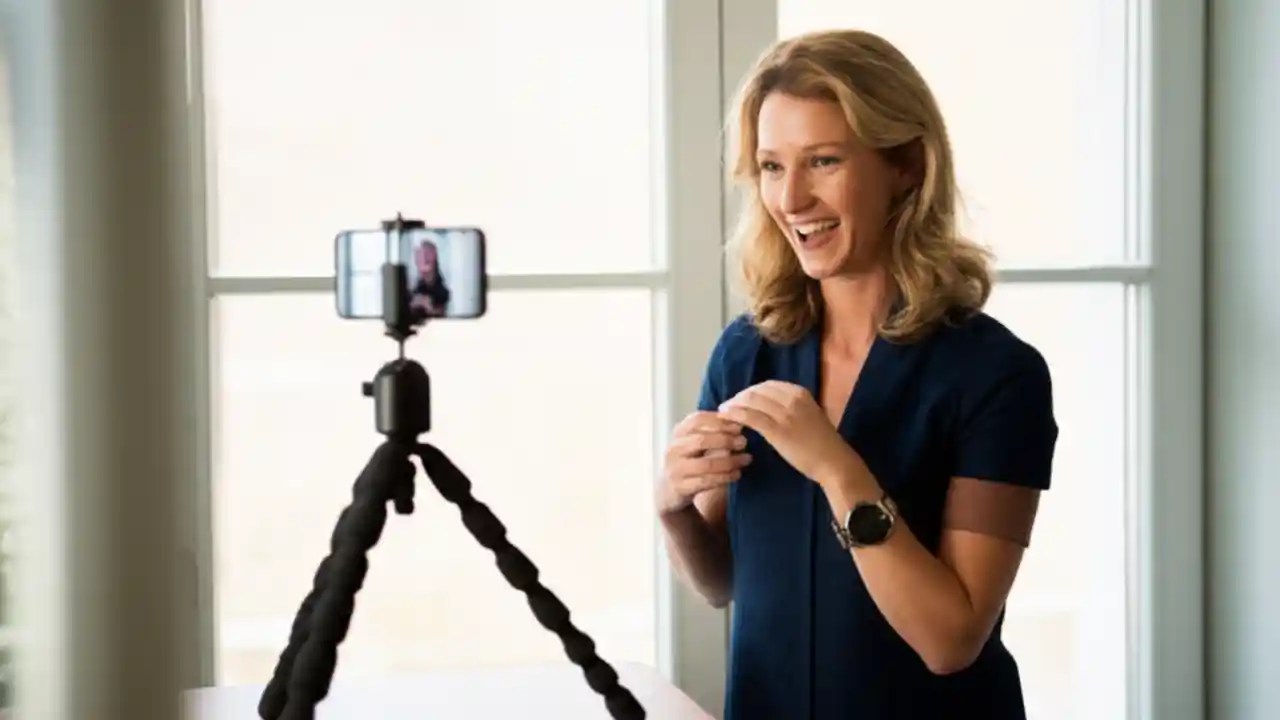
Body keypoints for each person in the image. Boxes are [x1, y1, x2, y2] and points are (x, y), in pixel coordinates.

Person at [655, 29, 1058, 720]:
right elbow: (725, 580)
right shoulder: (744, 354)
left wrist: (840, 472)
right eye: (773, 167)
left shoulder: (1000, 376)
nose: (791, 198)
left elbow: (952, 639)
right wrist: (671, 508)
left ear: (906, 165)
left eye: (824, 161)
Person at [409, 238, 450, 318]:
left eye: (427, 254)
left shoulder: (442, 291)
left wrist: (429, 307)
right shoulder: (415, 288)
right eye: (419, 255)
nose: (423, 258)